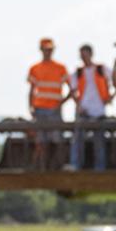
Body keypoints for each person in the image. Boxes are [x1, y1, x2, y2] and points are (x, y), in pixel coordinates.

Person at [26, 38, 69, 171]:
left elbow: (72, 89)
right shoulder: (34, 68)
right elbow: (32, 90)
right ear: (41, 50)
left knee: (57, 139)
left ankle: (58, 166)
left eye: (50, 50)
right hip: (40, 109)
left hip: (54, 109)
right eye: (46, 49)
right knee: (41, 140)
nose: (48, 52)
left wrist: (61, 103)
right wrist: (31, 107)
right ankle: (42, 167)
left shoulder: (61, 68)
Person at [70, 43, 114, 170]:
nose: (83, 58)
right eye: (81, 55)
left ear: (91, 54)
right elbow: (73, 90)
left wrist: (110, 97)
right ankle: (75, 165)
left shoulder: (101, 69)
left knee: (99, 140)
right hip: (84, 110)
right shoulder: (78, 72)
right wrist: (78, 105)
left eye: (85, 54)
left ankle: (100, 167)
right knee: (77, 138)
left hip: (99, 111)